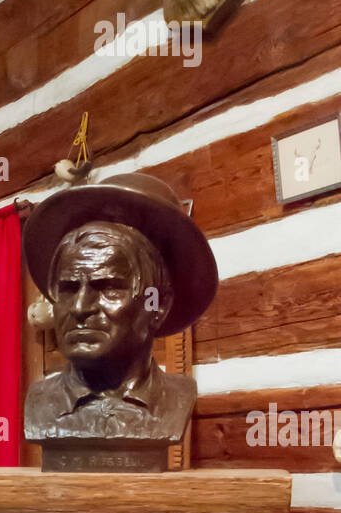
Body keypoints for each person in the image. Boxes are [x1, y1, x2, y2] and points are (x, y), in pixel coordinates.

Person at [21, 173, 218, 470]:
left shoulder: (178, 397)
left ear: (157, 305)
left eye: (108, 287)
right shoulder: (39, 401)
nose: (79, 307)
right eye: (69, 288)